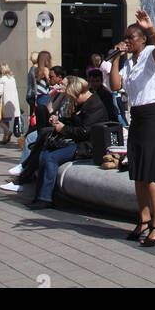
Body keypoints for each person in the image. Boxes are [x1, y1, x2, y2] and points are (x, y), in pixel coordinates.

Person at [109, 10, 155, 246]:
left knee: (151, 170)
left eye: (132, 37)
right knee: (137, 169)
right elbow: (115, 85)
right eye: (126, 38)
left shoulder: (150, 53)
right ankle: (143, 219)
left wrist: (151, 29)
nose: (127, 41)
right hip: (137, 116)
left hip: (153, 116)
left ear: (142, 39)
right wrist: (116, 58)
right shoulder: (129, 63)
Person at [27, 76, 108, 210]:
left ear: (80, 93)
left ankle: (45, 198)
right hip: (79, 141)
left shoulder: (95, 106)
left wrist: (63, 128)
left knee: (51, 158)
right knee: (44, 154)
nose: (73, 100)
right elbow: (77, 124)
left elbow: (85, 132)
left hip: (87, 146)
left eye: (74, 97)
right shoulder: (84, 103)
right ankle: (39, 195)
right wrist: (61, 121)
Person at [0, 64, 22, 145]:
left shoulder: (1, 79)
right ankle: (5, 137)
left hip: (4, 103)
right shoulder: (12, 78)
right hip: (12, 103)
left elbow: (0, 93)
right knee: (6, 121)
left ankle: (8, 132)